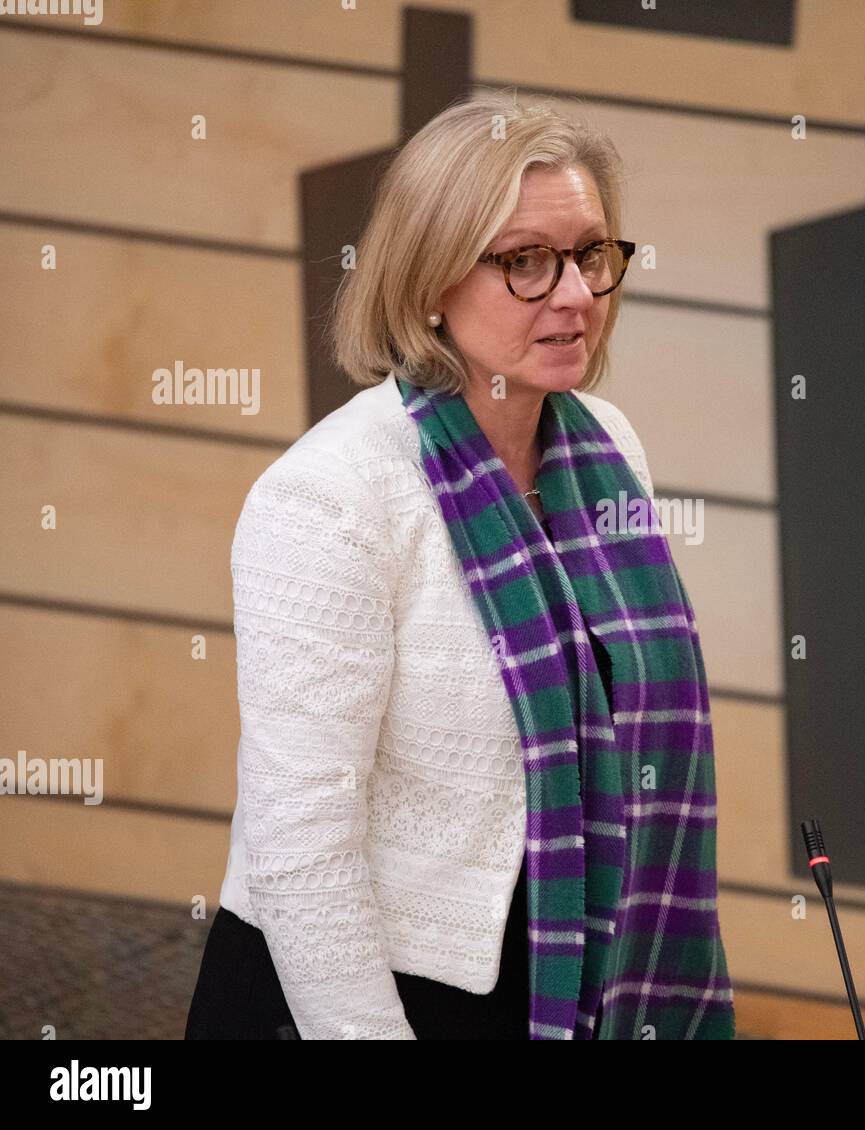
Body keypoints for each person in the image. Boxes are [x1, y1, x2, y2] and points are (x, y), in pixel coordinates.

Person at [185, 87, 734, 1040]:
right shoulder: (331, 497)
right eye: (525, 262)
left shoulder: (608, 446)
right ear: (430, 280)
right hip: (360, 992)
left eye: (590, 256)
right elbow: (303, 847)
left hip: (567, 974)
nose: (574, 295)